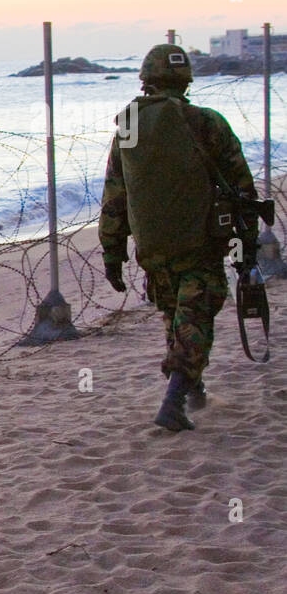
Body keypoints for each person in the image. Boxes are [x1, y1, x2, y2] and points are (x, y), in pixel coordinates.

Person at [99, 43, 257, 431]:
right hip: (199, 245)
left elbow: (115, 197)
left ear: (146, 80)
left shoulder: (129, 127)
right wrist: (246, 243)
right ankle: (173, 402)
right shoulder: (206, 122)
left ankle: (195, 392)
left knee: (175, 317)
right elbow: (242, 188)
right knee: (196, 319)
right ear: (185, 80)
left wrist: (112, 253)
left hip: (153, 248)